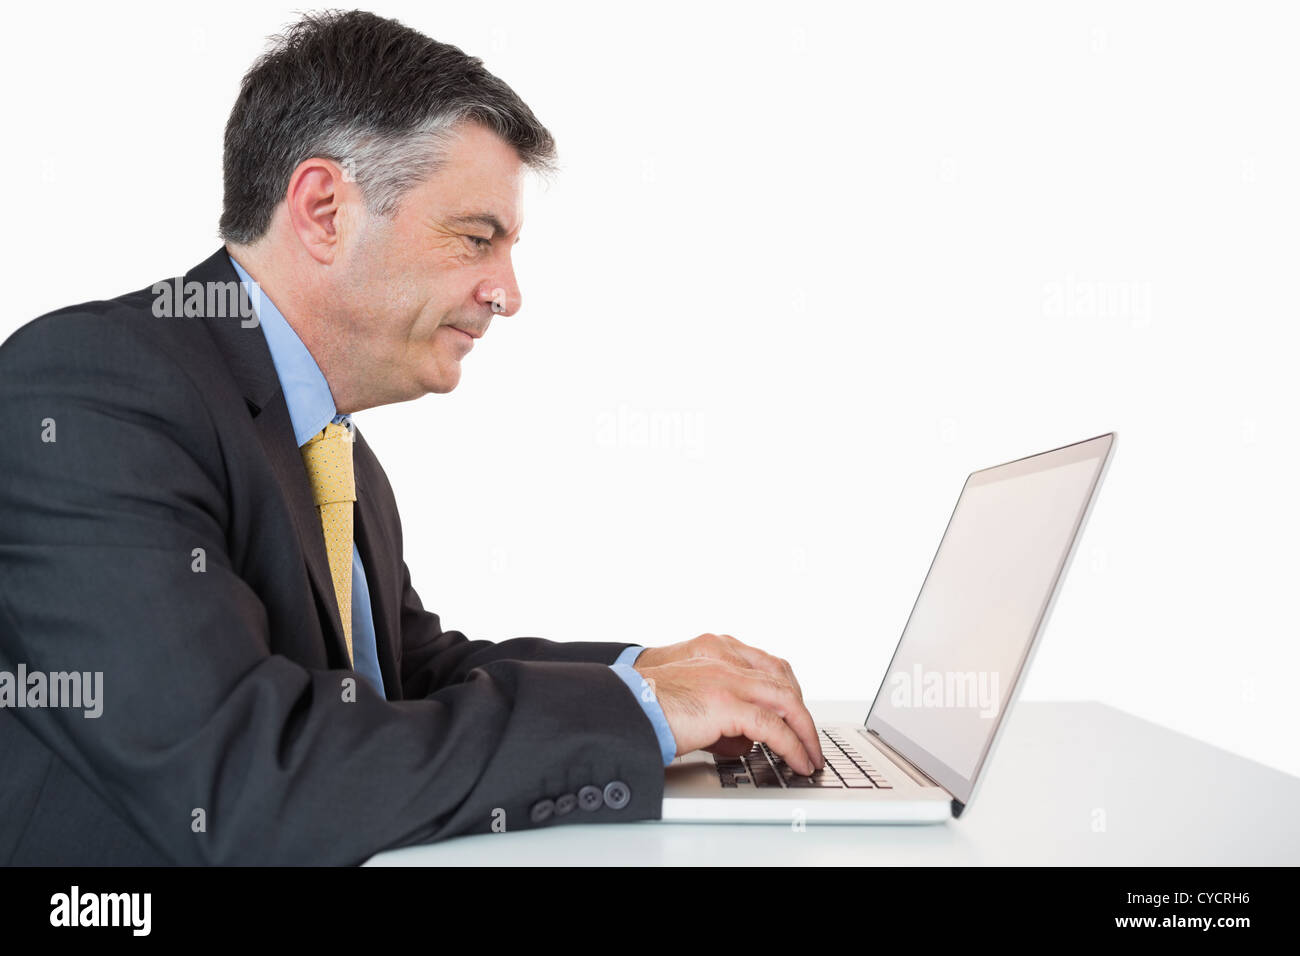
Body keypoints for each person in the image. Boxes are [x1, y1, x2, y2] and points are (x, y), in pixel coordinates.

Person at [0, 9, 822, 866]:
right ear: (323, 210)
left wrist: (644, 674)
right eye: (477, 238)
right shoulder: (93, 389)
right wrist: (640, 714)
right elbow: (246, 778)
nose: (507, 293)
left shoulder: (328, 442)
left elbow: (412, 677)